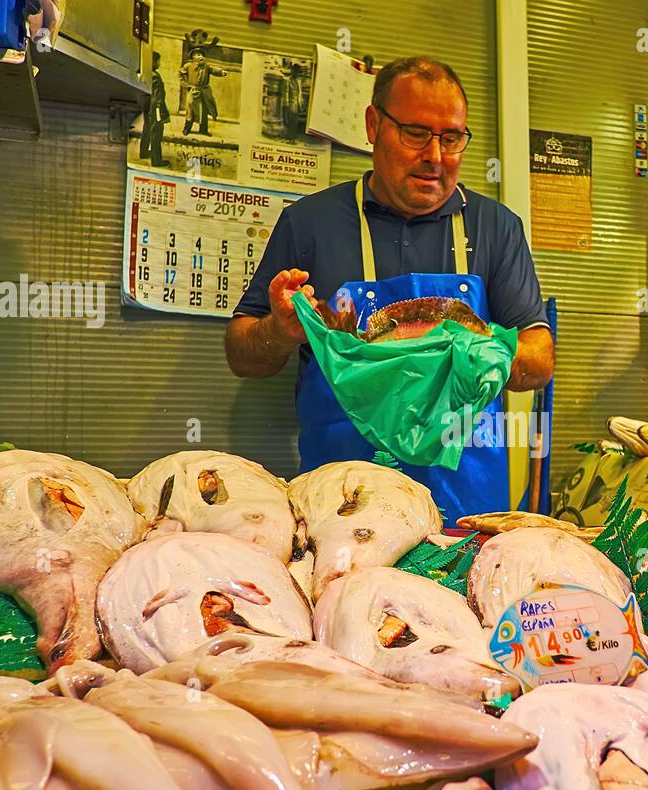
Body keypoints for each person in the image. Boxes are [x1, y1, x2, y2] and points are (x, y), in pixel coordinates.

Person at [226, 56, 554, 518]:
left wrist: (478, 349)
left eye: (452, 138)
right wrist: (280, 331)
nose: (435, 156)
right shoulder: (310, 223)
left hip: (466, 515)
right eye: (416, 133)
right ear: (373, 124)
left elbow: (539, 360)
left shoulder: (496, 227)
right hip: (340, 511)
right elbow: (241, 353)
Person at [179, 49, 226, 137]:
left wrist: (221, 72)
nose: (199, 56)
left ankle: (203, 130)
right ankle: (187, 129)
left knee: (204, 111)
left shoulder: (206, 66)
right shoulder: (188, 66)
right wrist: (186, 85)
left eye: (200, 54)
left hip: (204, 91)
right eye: (196, 54)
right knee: (191, 110)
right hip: (193, 91)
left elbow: (214, 70)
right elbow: (180, 74)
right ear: (193, 57)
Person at [139, 52, 170, 167]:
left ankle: (143, 152)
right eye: (157, 61)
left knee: (147, 128)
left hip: (146, 105)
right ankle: (156, 161)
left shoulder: (146, 73)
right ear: (152, 62)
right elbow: (158, 96)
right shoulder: (155, 75)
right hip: (155, 107)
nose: (159, 63)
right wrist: (159, 109)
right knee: (156, 133)